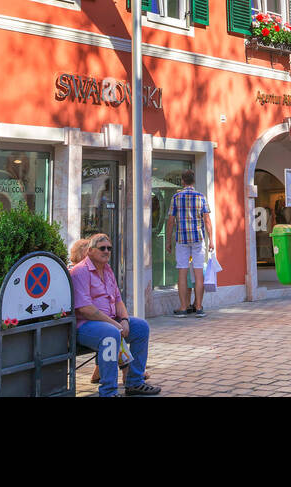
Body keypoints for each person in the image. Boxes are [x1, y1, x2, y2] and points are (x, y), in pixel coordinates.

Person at [70, 233, 160, 397]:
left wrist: (124, 320)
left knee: (141, 327)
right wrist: (114, 324)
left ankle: (134, 382)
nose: (106, 251)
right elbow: (85, 309)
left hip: (110, 322)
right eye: (102, 248)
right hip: (85, 326)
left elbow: (118, 300)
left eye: (109, 248)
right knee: (110, 334)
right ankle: (108, 391)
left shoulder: (107, 270)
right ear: (90, 251)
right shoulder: (80, 271)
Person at [167, 169, 213, 318]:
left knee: (182, 272)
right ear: (194, 181)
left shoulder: (176, 197)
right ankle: (199, 307)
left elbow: (170, 221)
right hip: (198, 239)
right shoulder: (201, 197)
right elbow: (207, 220)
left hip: (182, 239)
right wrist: (211, 239)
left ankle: (183, 307)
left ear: (182, 181)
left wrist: (168, 240)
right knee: (199, 273)